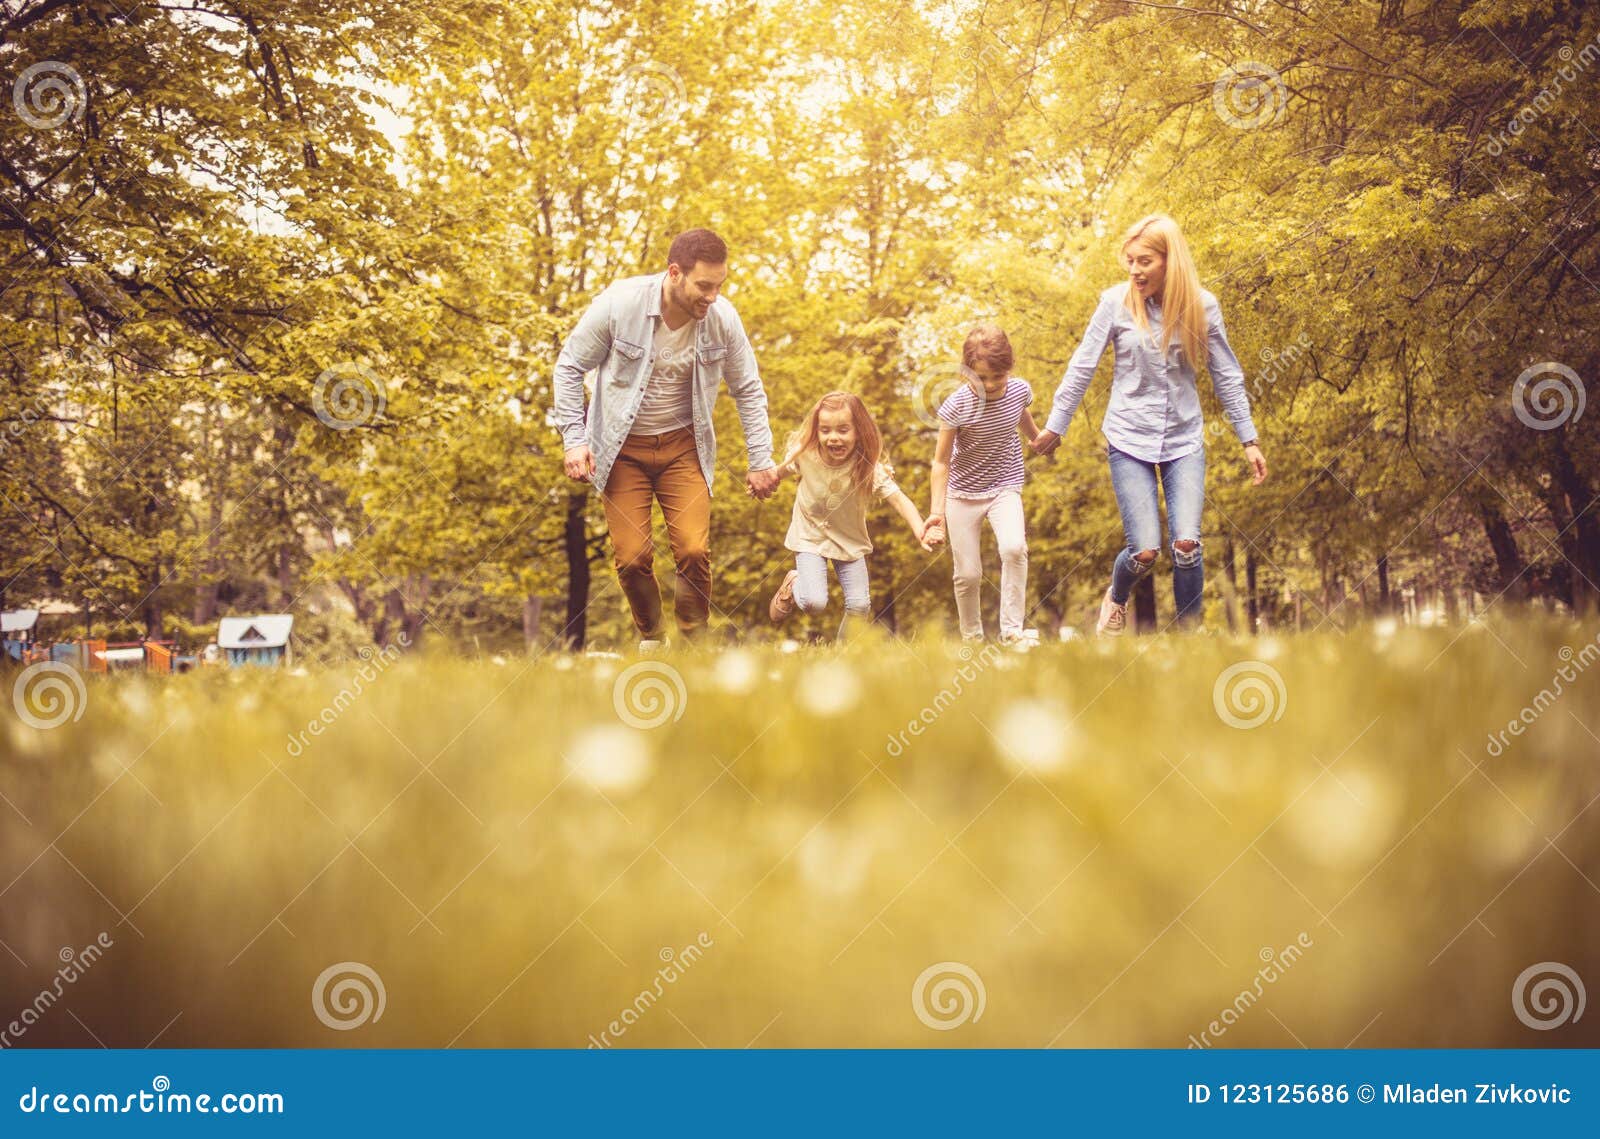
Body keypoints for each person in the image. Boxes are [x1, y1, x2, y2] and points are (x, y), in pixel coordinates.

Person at [1033, 213, 1268, 635]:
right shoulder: (1115, 303)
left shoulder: (1203, 306)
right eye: (1130, 261)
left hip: (1183, 439)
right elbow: (1082, 366)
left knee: (1187, 545)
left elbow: (1227, 375)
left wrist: (1248, 439)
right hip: (1128, 437)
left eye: (1145, 261)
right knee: (1144, 551)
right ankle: (1117, 596)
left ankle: (1189, 641)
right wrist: (1056, 425)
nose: (1135, 271)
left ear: (1169, 261)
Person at [553, 228, 781, 649]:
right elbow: (569, 367)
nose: (713, 296)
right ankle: (653, 638)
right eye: (704, 286)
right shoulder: (620, 304)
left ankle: (694, 646)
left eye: (720, 285)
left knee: (693, 551)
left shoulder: (722, 319)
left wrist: (760, 458)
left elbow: (748, 388)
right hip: (622, 451)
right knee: (632, 558)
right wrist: (574, 438)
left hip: (683, 449)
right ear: (675, 273)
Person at [768, 392, 941, 636]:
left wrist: (920, 530)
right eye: (825, 430)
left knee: (859, 607)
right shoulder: (806, 454)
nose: (833, 437)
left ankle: (842, 653)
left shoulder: (867, 467)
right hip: (810, 534)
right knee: (813, 603)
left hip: (849, 538)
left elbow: (899, 500)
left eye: (843, 430)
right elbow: (778, 473)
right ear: (817, 431)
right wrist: (764, 480)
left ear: (859, 431)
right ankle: (795, 582)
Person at [924, 324, 1042, 647]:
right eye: (980, 378)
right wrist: (937, 514)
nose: (988, 385)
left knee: (1014, 548)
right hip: (962, 493)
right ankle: (972, 639)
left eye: (997, 377)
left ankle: (1012, 632)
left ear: (1009, 368)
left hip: (1005, 484)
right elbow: (940, 462)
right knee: (968, 574)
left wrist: (1037, 439)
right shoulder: (956, 406)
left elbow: (1021, 416)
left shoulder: (1019, 391)